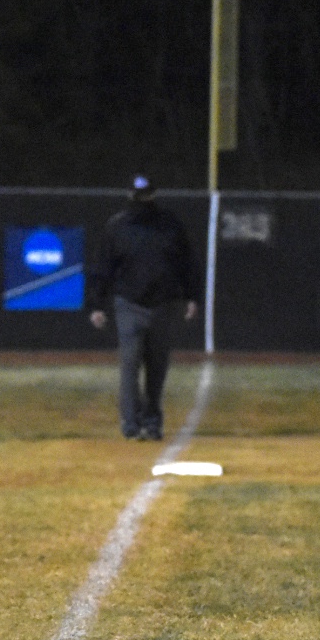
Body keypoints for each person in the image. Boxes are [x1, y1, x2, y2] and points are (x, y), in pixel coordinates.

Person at [86, 175, 202, 441]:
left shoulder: (170, 226)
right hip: (129, 303)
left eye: (145, 196)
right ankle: (131, 423)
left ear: (153, 196)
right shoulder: (117, 227)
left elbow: (187, 263)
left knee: (157, 367)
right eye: (138, 197)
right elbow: (103, 266)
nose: (142, 202)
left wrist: (192, 296)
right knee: (130, 364)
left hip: (164, 303)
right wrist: (96, 303)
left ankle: (152, 422)